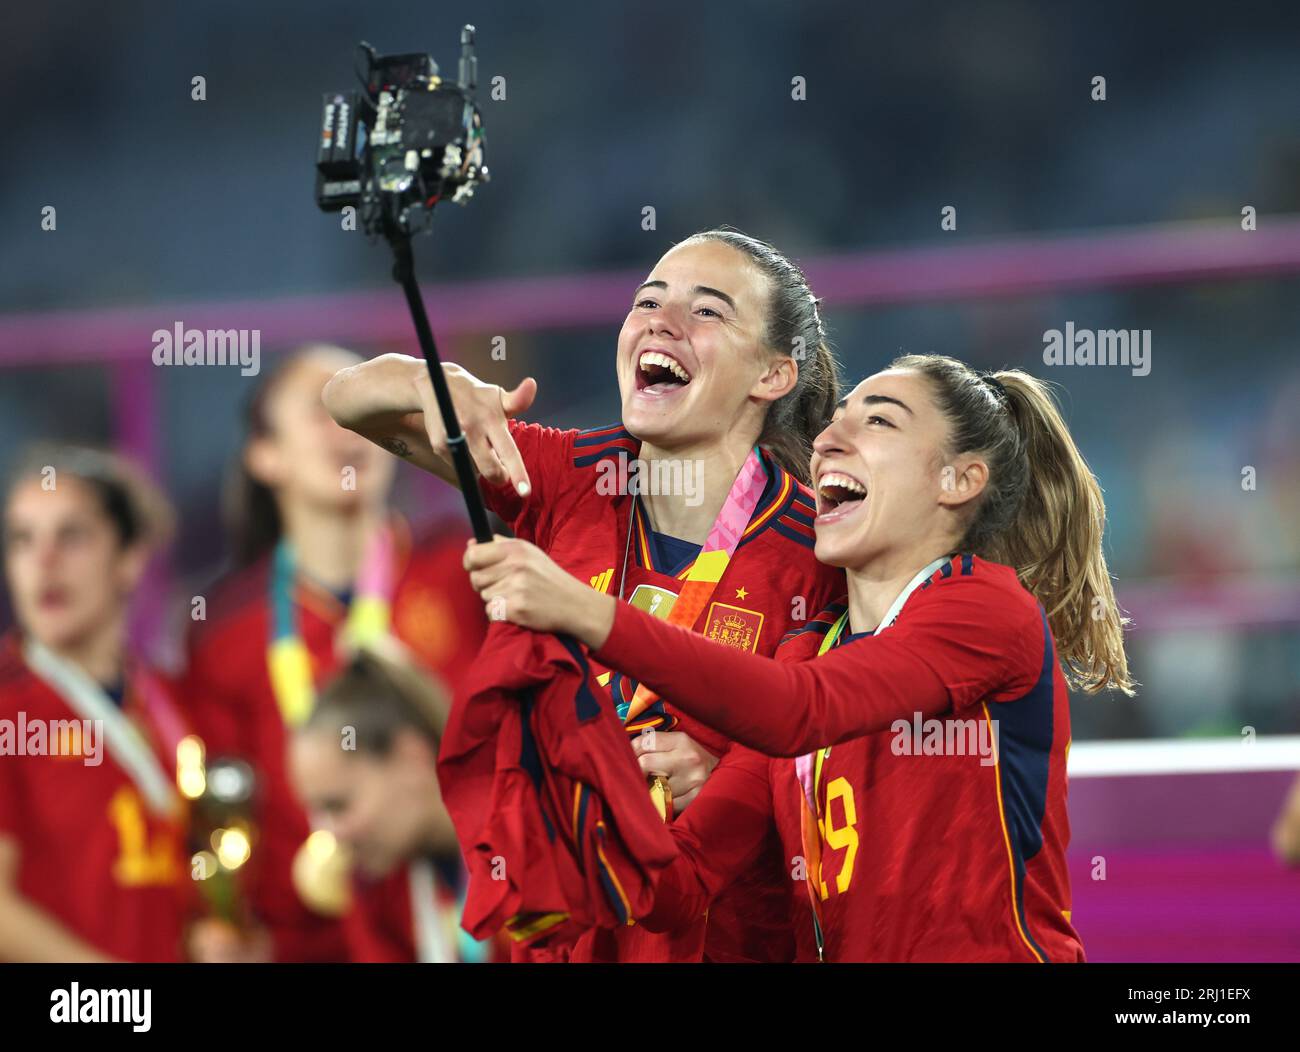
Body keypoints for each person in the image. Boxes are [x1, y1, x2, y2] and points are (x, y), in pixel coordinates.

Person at [464, 354, 1134, 962]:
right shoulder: (807, 647)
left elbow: (797, 711)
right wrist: (574, 841)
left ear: (959, 479)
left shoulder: (985, 608)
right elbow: (684, 882)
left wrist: (582, 609)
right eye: (834, 421)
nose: (827, 441)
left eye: (879, 421)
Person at [323, 228, 845, 962]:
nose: (661, 322)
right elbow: (349, 402)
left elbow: (845, 753)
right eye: (648, 301)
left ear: (773, 376)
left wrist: (738, 778)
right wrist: (428, 381)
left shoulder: (817, 550)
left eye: (708, 312)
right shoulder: (569, 478)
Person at [181, 344, 487, 962]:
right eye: (323, 412)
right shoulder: (224, 636)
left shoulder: (467, 567)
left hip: (485, 924)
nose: (348, 430)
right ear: (264, 455)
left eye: (365, 413)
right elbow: (220, 820)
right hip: (316, 947)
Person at [0, 445, 193, 961]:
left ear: (129, 559)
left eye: (72, 535)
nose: (44, 560)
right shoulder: (6, 708)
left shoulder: (172, 701)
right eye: (22, 540)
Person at [289, 638, 498, 962]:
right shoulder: (376, 889)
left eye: (339, 805)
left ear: (412, 758)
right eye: (318, 811)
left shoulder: (537, 834)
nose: (332, 834)